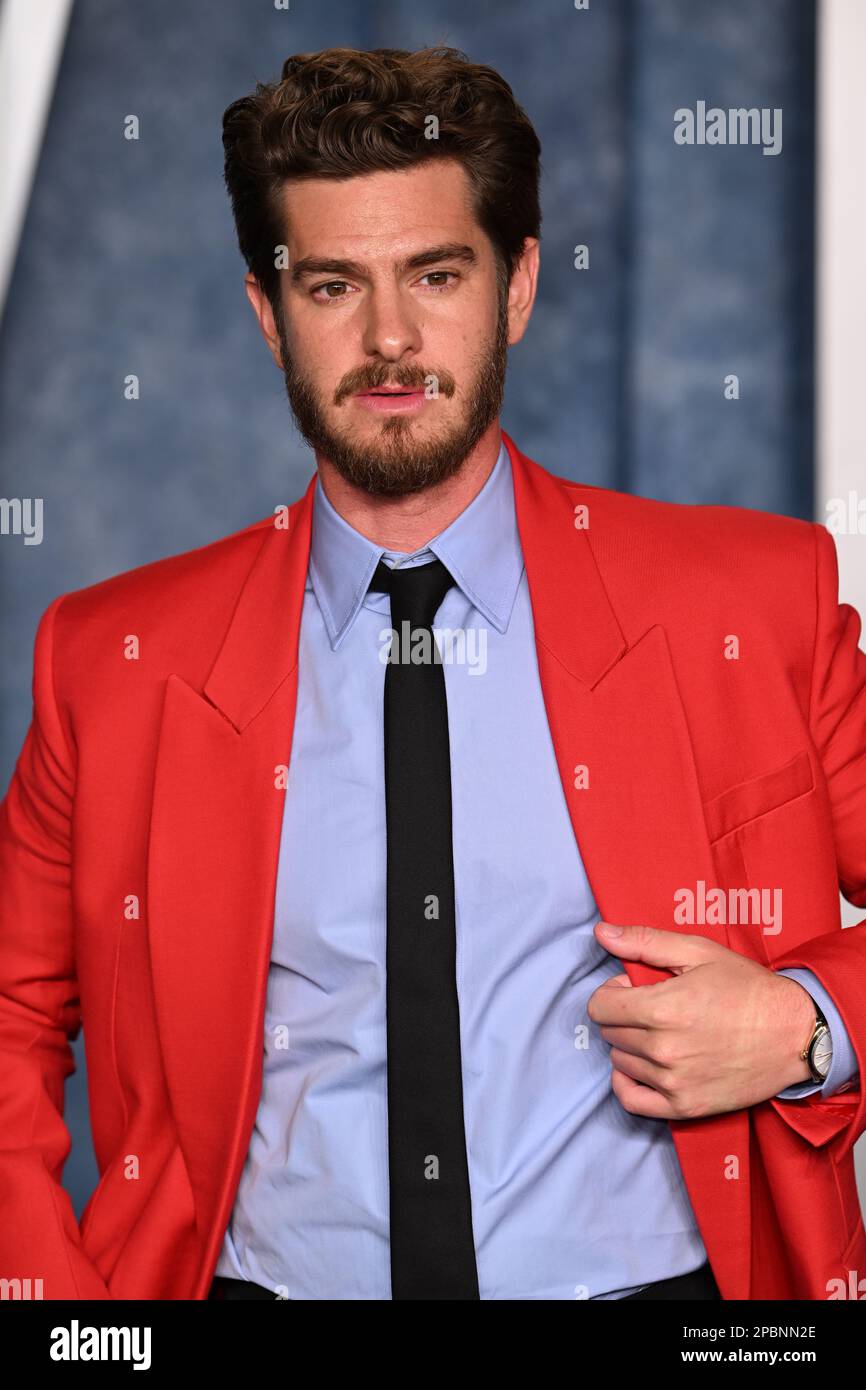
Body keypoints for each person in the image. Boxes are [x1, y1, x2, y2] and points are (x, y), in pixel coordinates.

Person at [1, 46, 864, 1303]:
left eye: (435, 274)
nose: (390, 338)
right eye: (335, 285)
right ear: (266, 309)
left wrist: (805, 1025)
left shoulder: (750, 602)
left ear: (515, 286)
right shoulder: (113, 660)